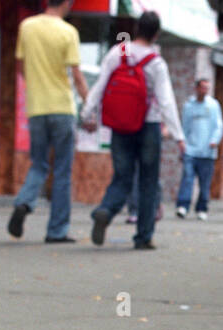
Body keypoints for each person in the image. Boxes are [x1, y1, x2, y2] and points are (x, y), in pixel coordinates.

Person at [80, 12, 183, 250]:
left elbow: (99, 86)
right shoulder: (156, 62)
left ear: (137, 29)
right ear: (156, 34)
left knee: (122, 176)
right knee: (148, 180)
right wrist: (179, 137)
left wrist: (87, 114)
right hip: (148, 126)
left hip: (121, 125)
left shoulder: (117, 53)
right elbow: (166, 101)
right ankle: (143, 237)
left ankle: (106, 210)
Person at [8, 0, 88, 243]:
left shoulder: (27, 26)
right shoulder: (68, 32)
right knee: (62, 170)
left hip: (36, 108)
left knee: (39, 164)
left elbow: (21, 67)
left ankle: (24, 201)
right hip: (62, 107)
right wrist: (90, 106)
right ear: (66, 3)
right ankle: (57, 230)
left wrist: (35, 85)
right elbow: (76, 74)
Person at [176, 77, 223, 220]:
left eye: (207, 88)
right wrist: (181, 143)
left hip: (207, 151)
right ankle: (183, 206)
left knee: (204, 182)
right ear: (196, 88)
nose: (204, 91)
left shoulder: (213, 105)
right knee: (188, 179)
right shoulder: (189, 106)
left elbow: (218, 126)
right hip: (190, 149)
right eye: (202, 87)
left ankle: (202, 208)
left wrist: (215, 141)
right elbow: (184, 126)